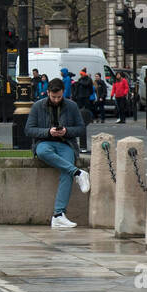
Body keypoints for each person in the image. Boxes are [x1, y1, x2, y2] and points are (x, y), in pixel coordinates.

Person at [26, 77, 90, 229]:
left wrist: (66, 131)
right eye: (53, 97)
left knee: (66, 172)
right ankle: (78, 173)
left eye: (59, 97)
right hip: (45, 142)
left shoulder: (72, 106)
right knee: (42, 152)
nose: (56, 99)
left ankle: (58, 215)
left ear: (63, 93)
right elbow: (29, 129)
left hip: (66, 143)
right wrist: (48, 132)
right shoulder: (37, 106)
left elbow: (81, 128)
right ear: (47, 93)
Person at [72, 69, 94, 156]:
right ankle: (82, 146)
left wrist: (80, 82)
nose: (80, 75)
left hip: (86, 98)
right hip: (80, 98)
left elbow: (87, 85)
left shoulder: (87, 79)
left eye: (81, 74)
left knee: (85, 114)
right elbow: (77, 87)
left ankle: (83, 146)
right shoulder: (80, 80)